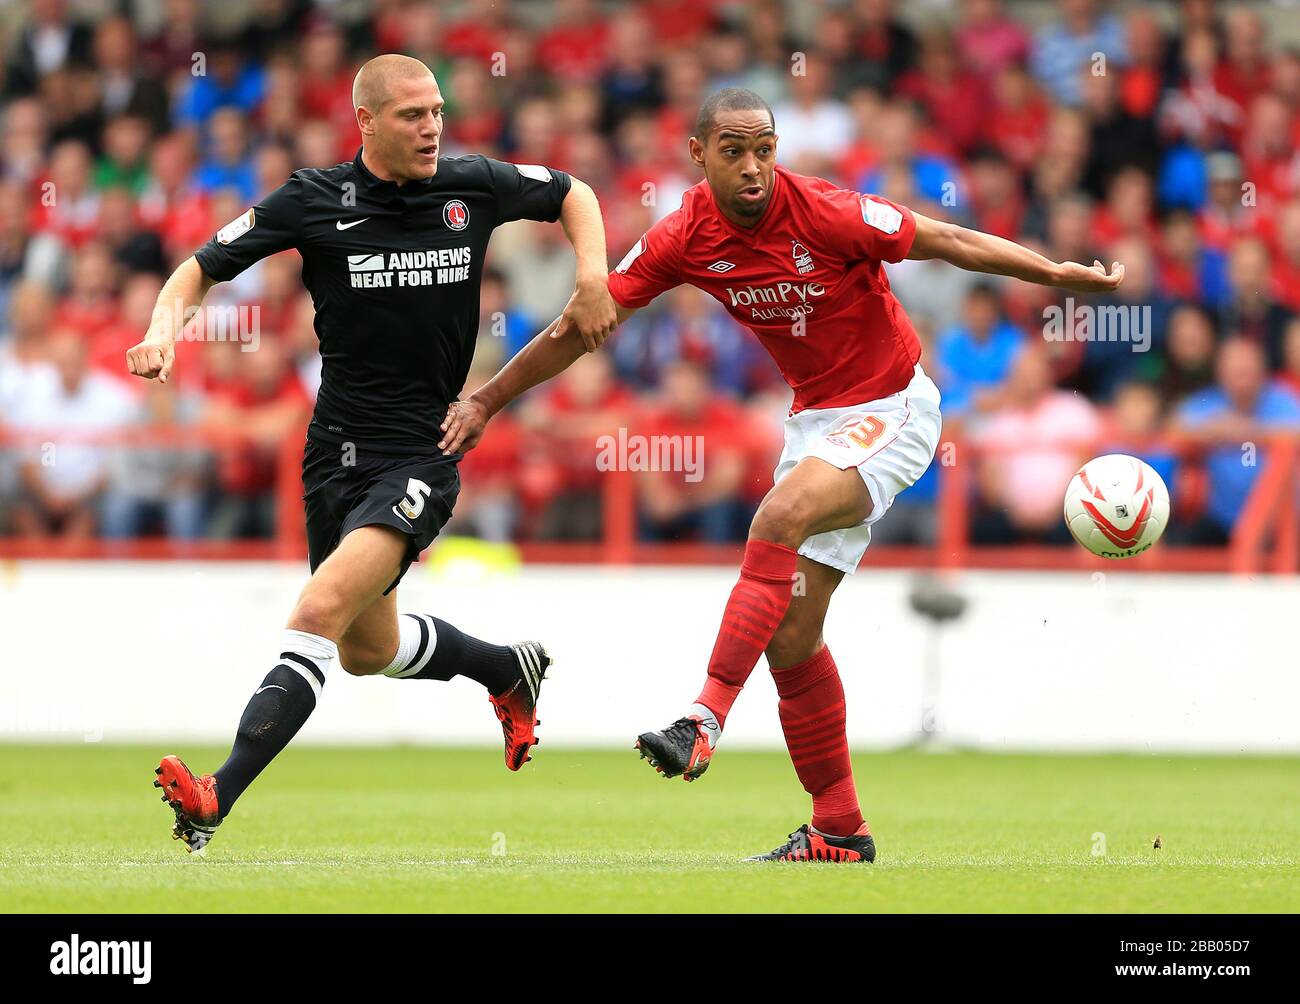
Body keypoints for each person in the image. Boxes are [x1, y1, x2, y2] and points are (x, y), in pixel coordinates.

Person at [439, 88, 1125, 863]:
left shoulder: (827, 211)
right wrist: (491, 398)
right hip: (816, 426)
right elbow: (583, 327)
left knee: (775, 518)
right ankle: (839, 828)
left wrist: (1052, 271)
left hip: (893, 406)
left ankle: (703, 718)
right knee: (791, 640)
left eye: (764, 147)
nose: (754, 165)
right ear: (698, 155)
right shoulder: (683, 235)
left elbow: (947, 239)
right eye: (733, 150)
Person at [125, 54, 617, 853]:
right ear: (367, 122)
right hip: (332, 454)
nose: (432, 128)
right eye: (411, 116)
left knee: (316, 611)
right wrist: (160, 331)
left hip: (423, 451)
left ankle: (218, 794)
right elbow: (196, 269)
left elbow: (575, 193)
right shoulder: (312, 201)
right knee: (367, 650)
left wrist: (592, 278)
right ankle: (503, 667)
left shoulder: (472, 186)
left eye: (436, 112)